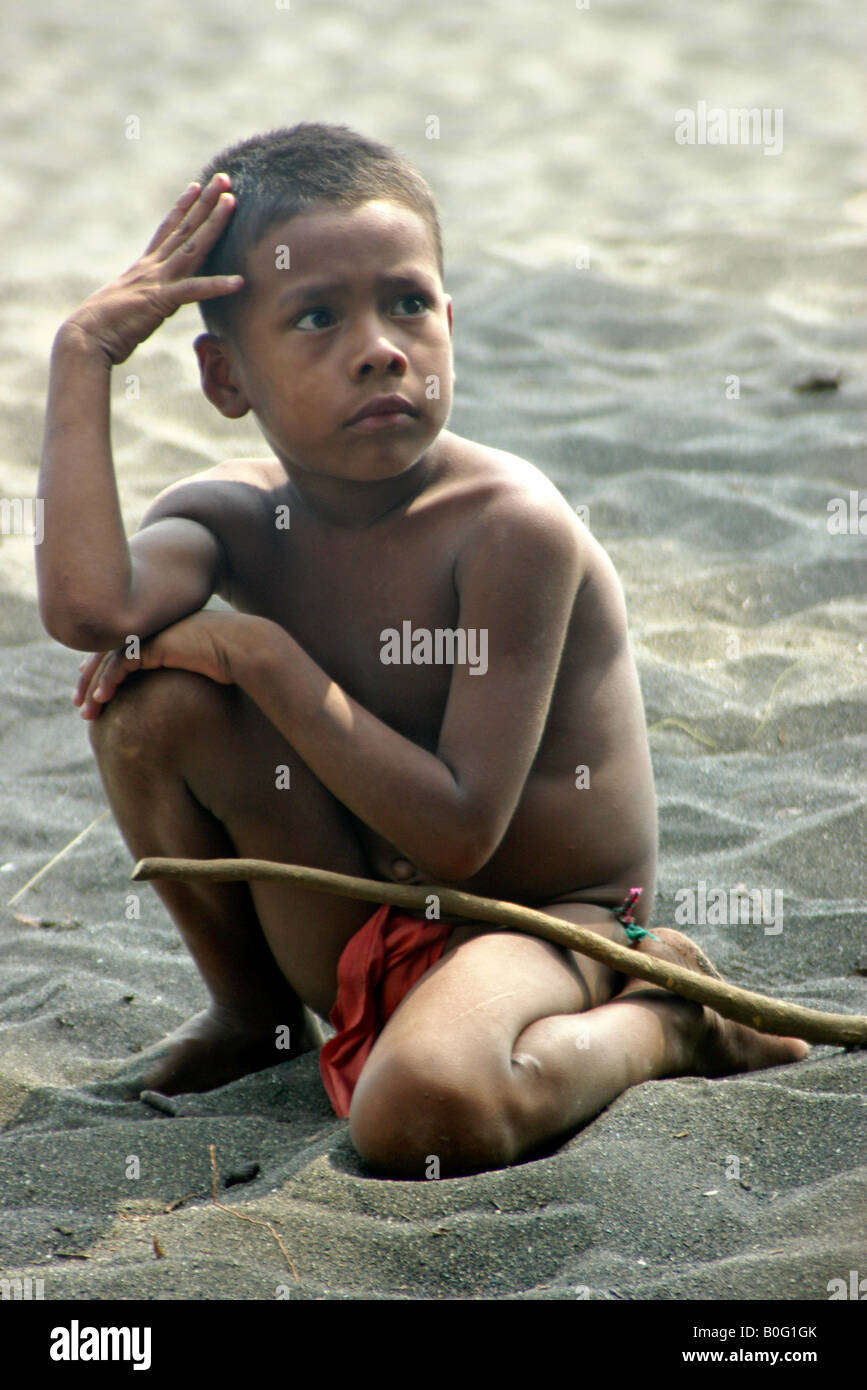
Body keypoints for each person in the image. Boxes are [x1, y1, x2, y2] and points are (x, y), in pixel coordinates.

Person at [37, 123, 807, 1178]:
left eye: (407, 302)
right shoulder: (229, 516)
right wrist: (83, 354)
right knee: (150, 697)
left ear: (450, 322)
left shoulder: (508, 528)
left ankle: (671, 1020)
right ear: (227, 379)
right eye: (316, 316)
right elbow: (89, 610)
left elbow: (459, 835)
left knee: (421, 1111)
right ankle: (253, 1018)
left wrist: (261, 656)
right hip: (365, 912)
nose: (380, 345)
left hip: (546, 924)